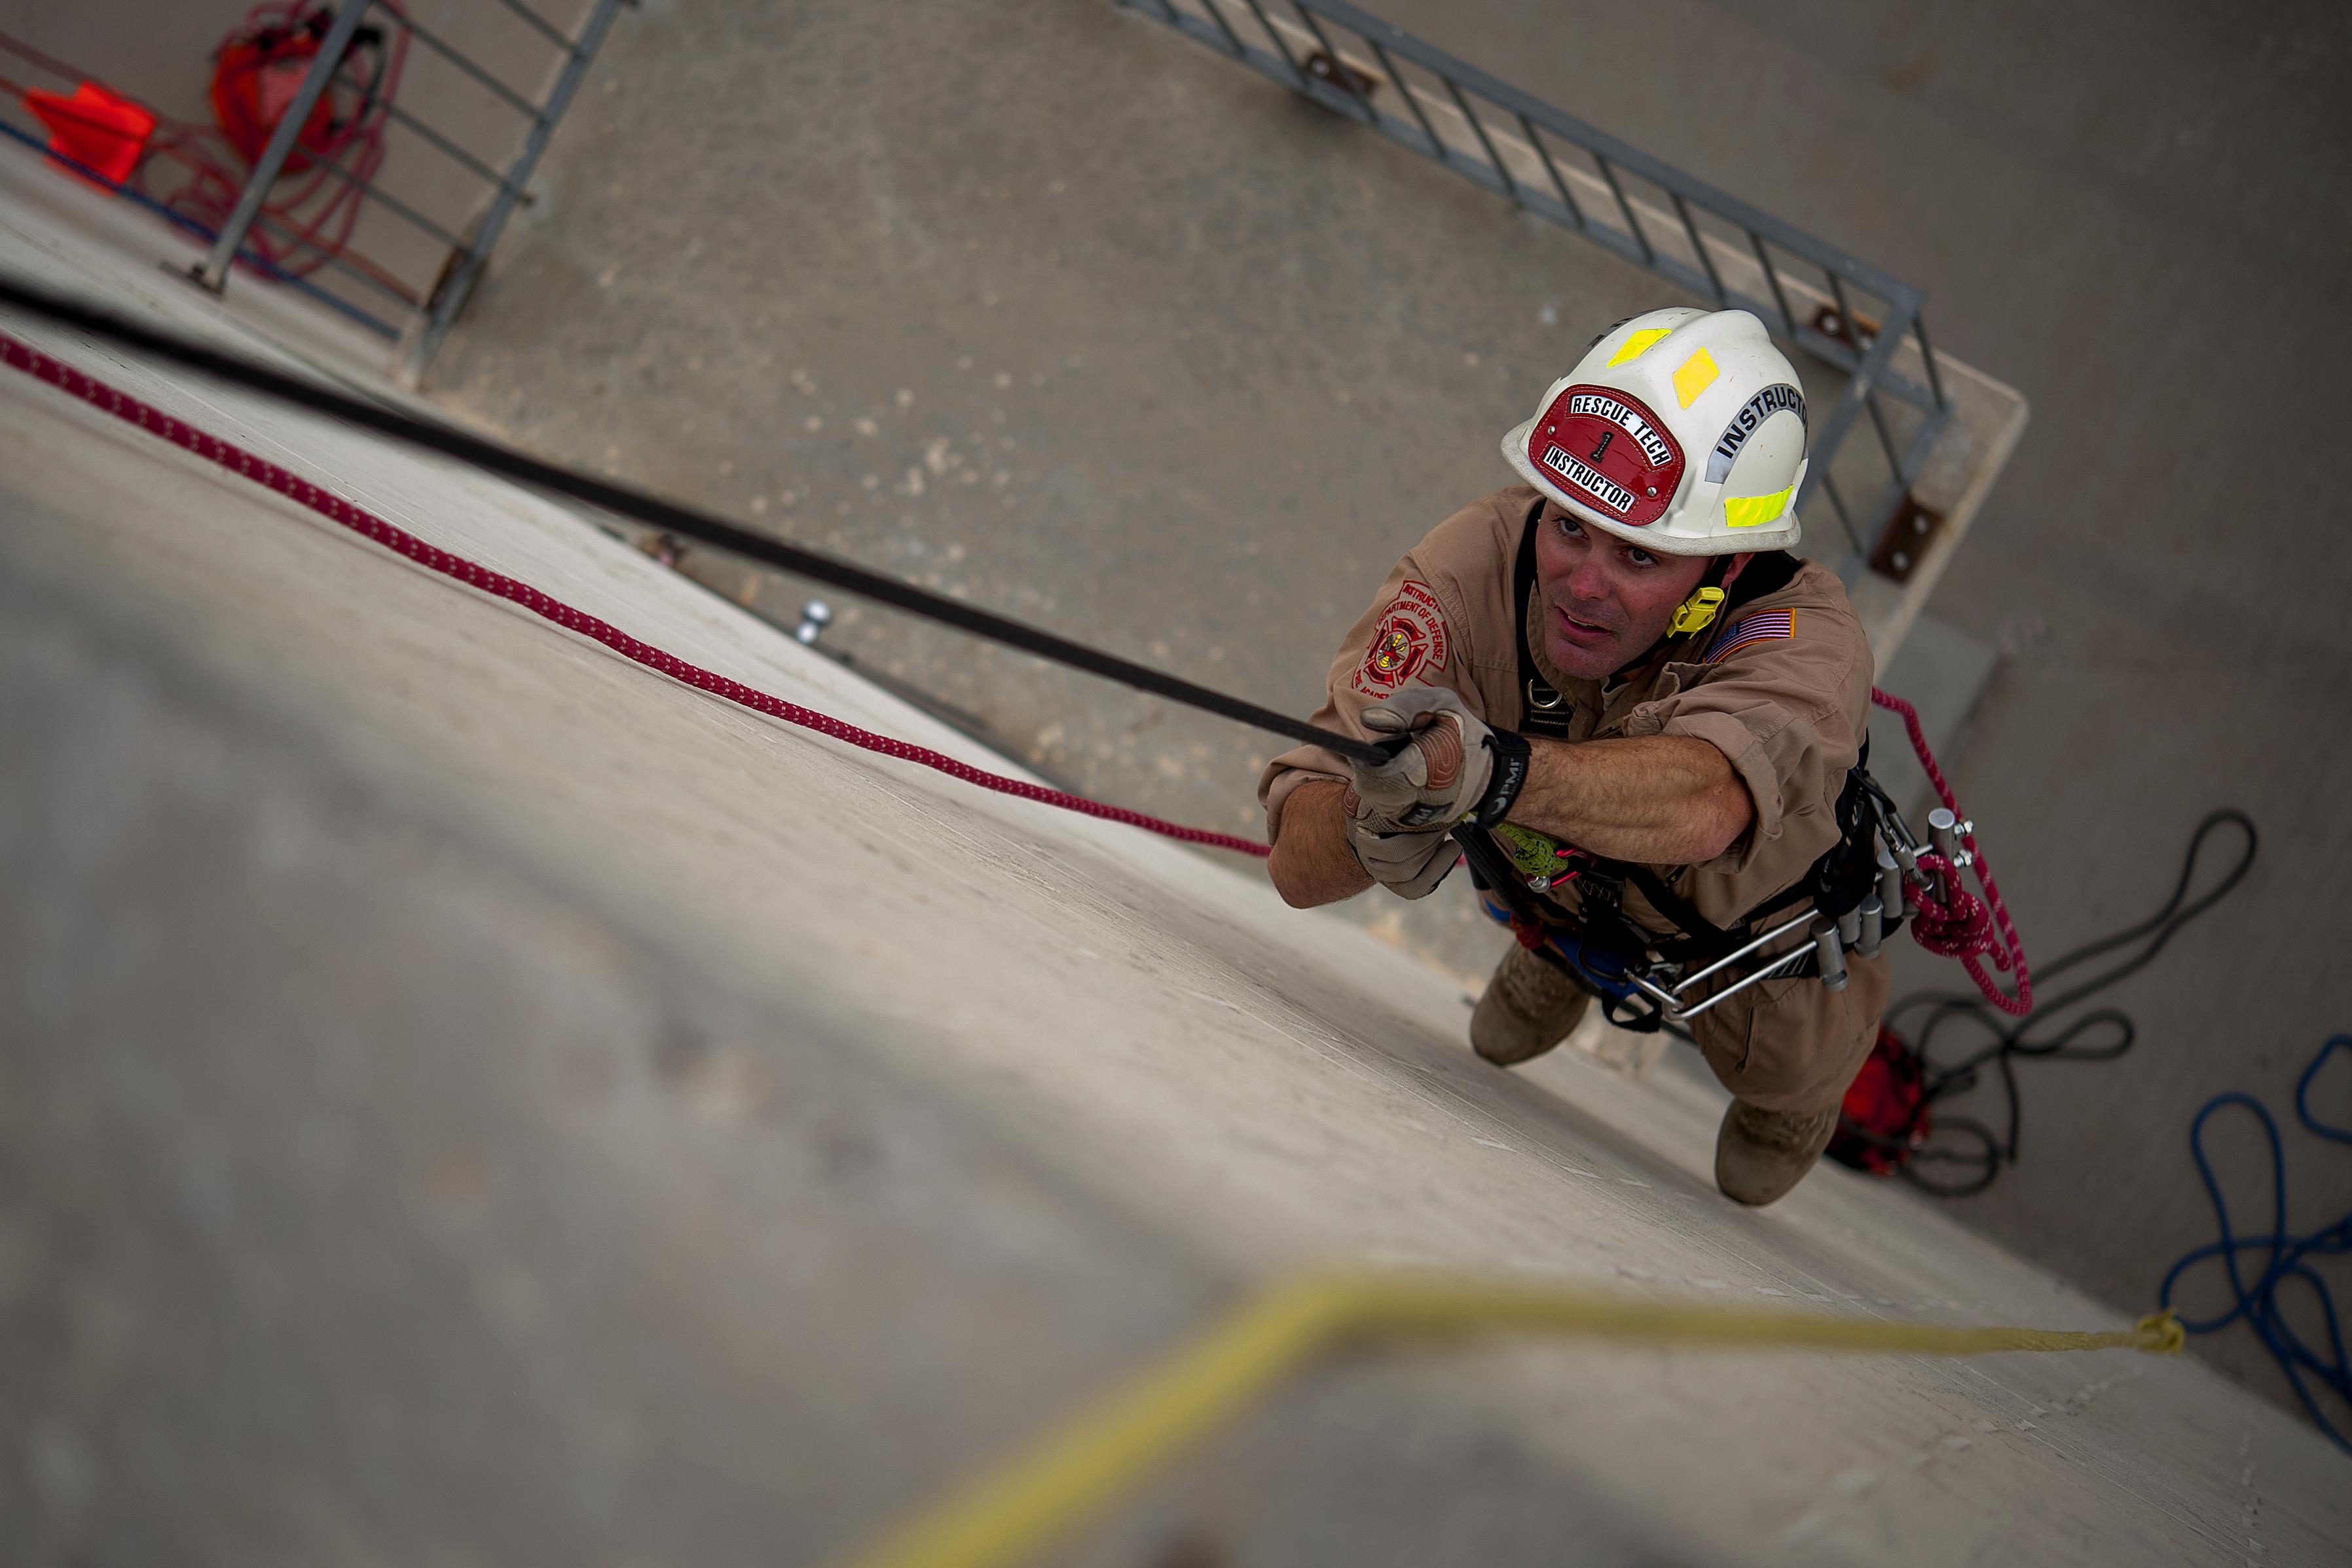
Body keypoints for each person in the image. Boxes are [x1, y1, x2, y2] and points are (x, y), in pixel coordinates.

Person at [1259, 306, 1886, 1205]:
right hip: (1548, 890)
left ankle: (1791, 1098)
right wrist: (1366, 817)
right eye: (1569, 528)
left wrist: (1496, 772)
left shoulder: (1806, 644)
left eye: (1639, 554)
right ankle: (1556, 960)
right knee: (1535, 924)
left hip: (1748, 940)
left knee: (1780, 1070)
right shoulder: (1471, 569)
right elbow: (1294, 868)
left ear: (1728, 571)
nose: (1583, 585)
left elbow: (1705, 802)